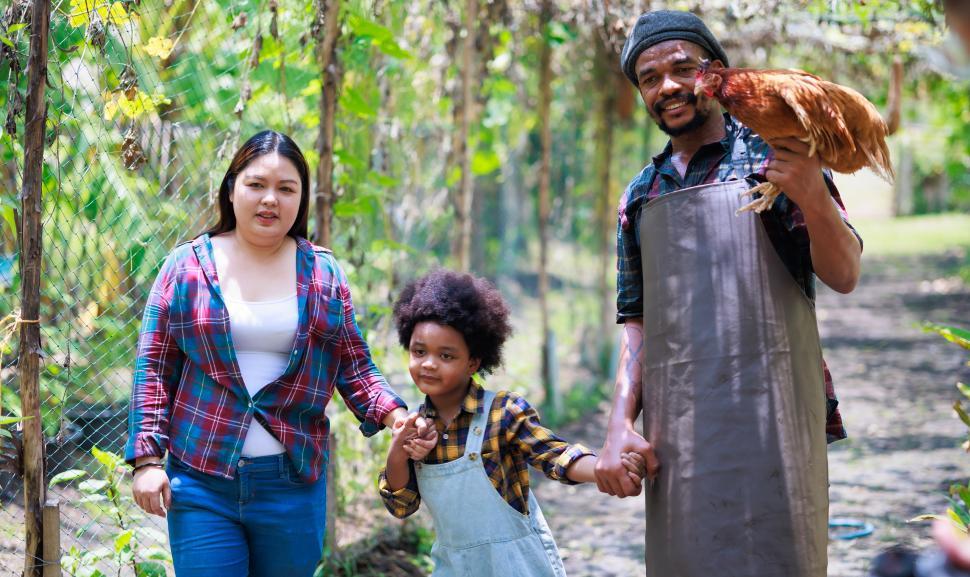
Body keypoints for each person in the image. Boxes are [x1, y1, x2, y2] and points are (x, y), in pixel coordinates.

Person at [593, 10, 864, 577]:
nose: (667, 86)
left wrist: (812, 193)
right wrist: (620, 422)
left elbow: (844, 275)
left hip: (776, 411)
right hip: (683, 422)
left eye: (681, 68)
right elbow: (636, 320)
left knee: (781, 556)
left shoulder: (776, 155)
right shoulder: (641, 194)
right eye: (649, 77)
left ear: (713, 73)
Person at [125, 130, 433, 577]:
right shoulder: (186, 267)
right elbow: (153, 367)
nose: (270, 199)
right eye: (256, 185)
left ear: (301, 198)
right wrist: (148, 461)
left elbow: (353, 363)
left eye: (286, 188)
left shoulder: (322, 272)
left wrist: (394, 416)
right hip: (202, 480)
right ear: (232, 190)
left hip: (291, 482)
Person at [378, 269, 653, 577]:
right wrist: (397, 451)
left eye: (446, 355)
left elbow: (554, 456)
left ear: (473, 363)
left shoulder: (502, 412)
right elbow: (400, 505)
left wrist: (605, 467)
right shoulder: (416, 428)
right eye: (419, 352)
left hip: (518, 566)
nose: (428, 363)